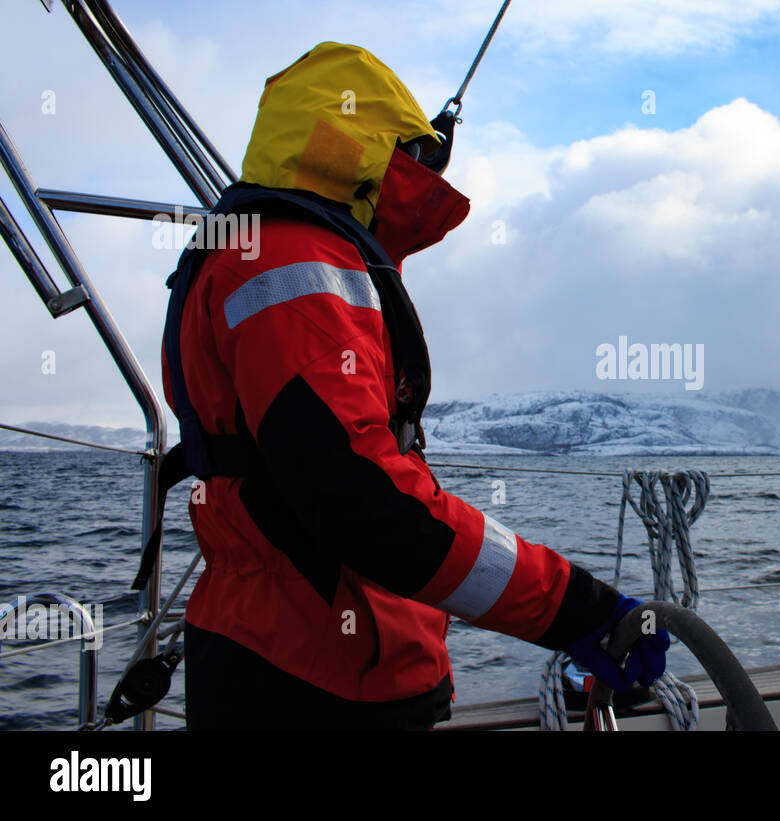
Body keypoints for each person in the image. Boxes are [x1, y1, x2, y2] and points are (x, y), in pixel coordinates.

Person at [160, 42, 667, 730]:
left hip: (288, 652)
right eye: (411, 156)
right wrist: (578, 607)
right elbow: (363, 502)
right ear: (366, 151)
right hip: (317, 676)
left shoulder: (251, 246)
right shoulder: (297, 263)